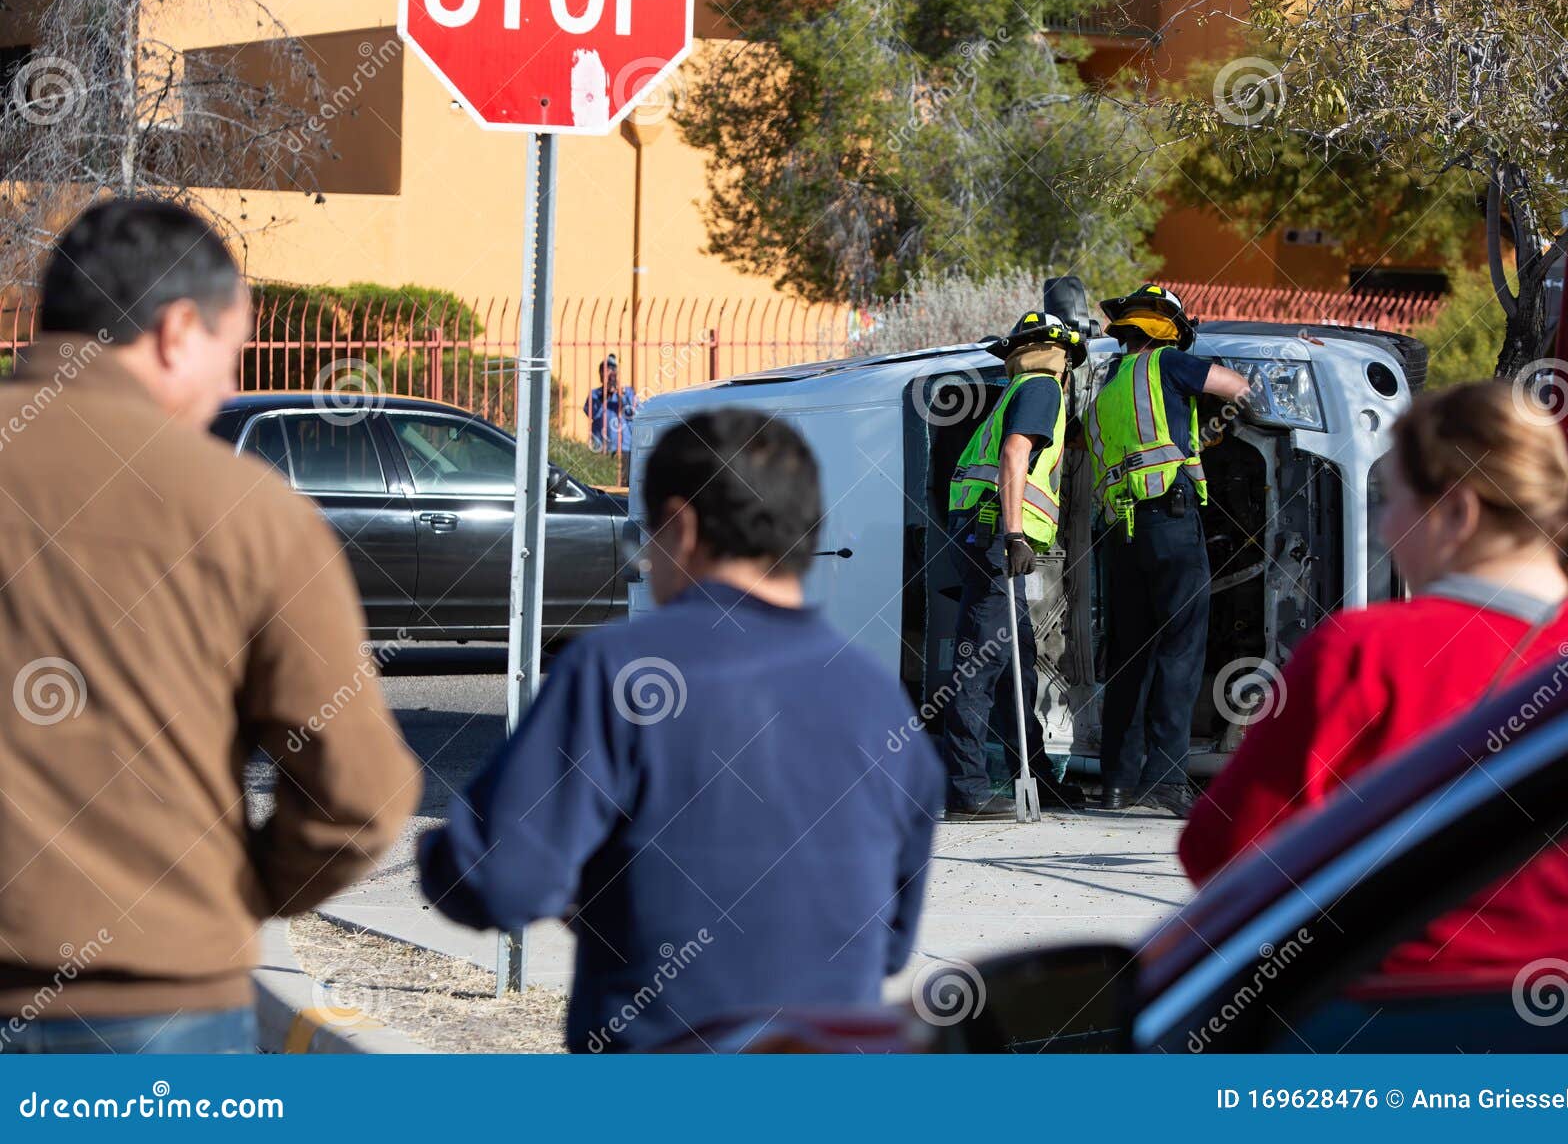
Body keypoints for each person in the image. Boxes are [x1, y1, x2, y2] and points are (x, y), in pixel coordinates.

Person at [0, 199, 420, 1054]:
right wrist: (223, 893)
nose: (232, 388)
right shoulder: (247, 512)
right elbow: (360, 795)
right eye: (232, 355)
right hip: (157, 1010)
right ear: (177, 328)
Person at [419, 408, 943, 1053]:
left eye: (646, 538)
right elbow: (887, 944)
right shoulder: (881, 700)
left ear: (682, 525)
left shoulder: (616, 670)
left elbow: (497, 880)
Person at [1181, 379, 1568, 978]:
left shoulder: (1365, 654)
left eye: (1394, 501)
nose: (1383, 530)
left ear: (1457, 512)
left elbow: (1222, 856)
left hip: (1389, 1026)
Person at [1084, 284, 1249, 816]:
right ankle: (1167, 783)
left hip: (1120, 532)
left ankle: (1117, 783)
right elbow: (1238, 387)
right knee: (1180, 650)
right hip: (1170, 521)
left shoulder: (1105, 389)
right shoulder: (1170, 363)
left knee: (1130, 657)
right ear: (1168, 328)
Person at [942, 312, 1089, 818]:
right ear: (1064, 358)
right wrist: (1014, 533)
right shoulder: (1043, 388)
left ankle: (1036, 775)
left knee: (1016, 667)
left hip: (981, 535)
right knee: (980, 668)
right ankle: (966, 790)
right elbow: (1014, 453)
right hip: (994, 538)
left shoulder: (1019, 389)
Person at [584, 353, 636, 482]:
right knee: (601, 482)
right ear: (600, 375)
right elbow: (591, 413)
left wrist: (621, 396)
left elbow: (634, 413)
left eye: (611, 371)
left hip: (624, 447)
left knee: (625, 485)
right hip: (602, 447)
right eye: (605, 372)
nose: (608, 375)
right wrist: (605, 396)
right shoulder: (595, 394)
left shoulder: (627, 392)